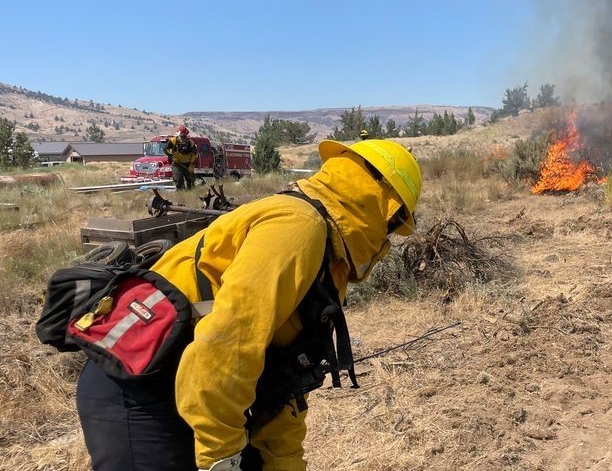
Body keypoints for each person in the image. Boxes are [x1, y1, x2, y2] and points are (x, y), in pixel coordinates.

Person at [75, 139, 422, 471]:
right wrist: (221, 459)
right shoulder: (298, 229)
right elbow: (224, 348)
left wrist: (283, 461)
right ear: (384, 209)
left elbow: (283, 381)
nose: (387, 239)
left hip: (197, 388)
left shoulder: (330, 261)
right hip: (138, 385)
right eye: (394, 227)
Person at [165, 125, 198, 190]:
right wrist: (172, 156)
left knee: (191, 181)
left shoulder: (191, 143)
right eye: (182, 135)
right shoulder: (173, 141)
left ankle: (191, 194)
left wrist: (191, 165)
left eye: (185, 135)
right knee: (178, 180)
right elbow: (165, 149)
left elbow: (194, 154)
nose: (184, 137)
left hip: (188, 164)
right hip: (177, 164)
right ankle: (180, 194)